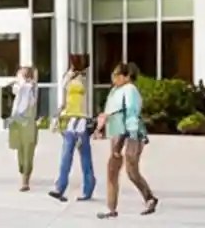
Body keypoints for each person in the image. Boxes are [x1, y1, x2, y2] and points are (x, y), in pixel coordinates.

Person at [96, 63, 158, 219]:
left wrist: (121, 144)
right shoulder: (115, 91)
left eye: (117, 75)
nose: (113, 77)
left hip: (131, 134)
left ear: (127, 76)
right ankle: (111, 208)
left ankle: (149, 198)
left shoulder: (130, 90)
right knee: (113, 171)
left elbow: (131, 114)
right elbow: (111, 113)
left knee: (131, 170)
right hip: (117, 131)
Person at [49, 53, 96, 203]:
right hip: (70, 119)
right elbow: (63, 95)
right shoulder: (69, 77)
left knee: (85, 157)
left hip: (82, 120)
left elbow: (87, 98)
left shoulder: (85, 79)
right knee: (66, 155)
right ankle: (60, 187)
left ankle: (88, 187)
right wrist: (58, 115)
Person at [7, 65, 40, 192]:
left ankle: (25, 181)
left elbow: (27, 88)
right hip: (18, 122)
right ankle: (23, 174)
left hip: (29, 123)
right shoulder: (19, 87)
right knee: (20, 151)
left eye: (20, 74)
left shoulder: (30, 87)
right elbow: (15, 90)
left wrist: (26, 80)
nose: (17, 76)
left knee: (28, 152)